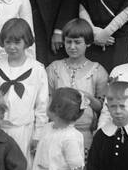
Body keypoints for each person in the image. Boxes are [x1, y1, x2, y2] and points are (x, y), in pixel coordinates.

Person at [0, 17, 49, 170]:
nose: (12, 47)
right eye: (8, 42)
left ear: (26, 42)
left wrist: (38, 135)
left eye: (17, 42)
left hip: (24, 130)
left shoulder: (37, 69)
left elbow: (42, 105)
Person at [46, 17, 108, 152]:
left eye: (77, 42)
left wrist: (88, 98)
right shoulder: (54, 68)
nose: (72, 46)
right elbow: (47, 101)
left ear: (88, 43)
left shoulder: (98, 71)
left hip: (84, 134)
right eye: (68, 42)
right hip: (57, 131)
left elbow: (102, 108)